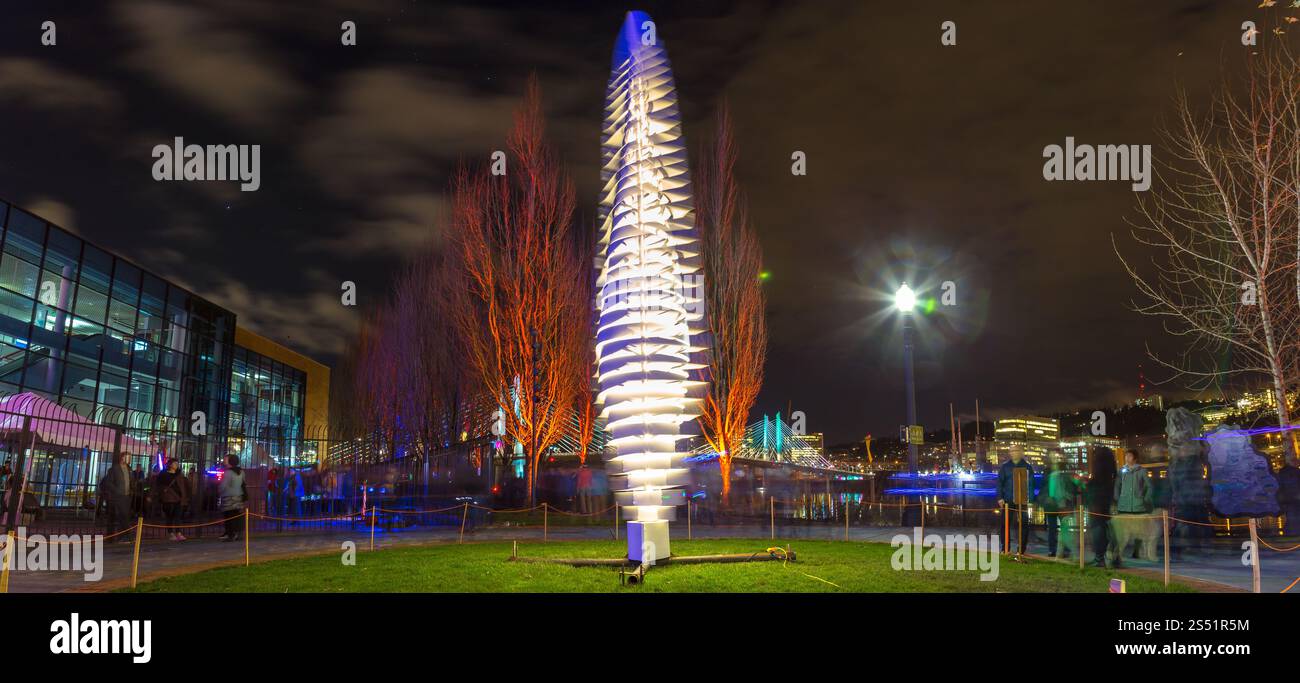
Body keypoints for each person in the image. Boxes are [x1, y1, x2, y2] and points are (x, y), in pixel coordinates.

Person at [996, 447, 1035, 555]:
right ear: (1010, 453)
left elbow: (1031, 485)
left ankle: (1021, 550)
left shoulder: (1027, 467)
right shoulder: (1005, 467)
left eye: (1017, 450)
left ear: (1021, 452)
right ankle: (1005, 549)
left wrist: (1030, 500)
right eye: (1012, 451)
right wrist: (1000, 498)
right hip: (1007, 500)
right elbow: (999, 483)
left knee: (1024, 524)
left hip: (1023, 500)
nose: (1014, 453)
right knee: (1005, 524)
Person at [1038, 451, 1077, 558]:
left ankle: (1065, 549)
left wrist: (1069, 495)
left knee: (1065, 528)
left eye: (1056, 457)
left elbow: (1071, 485)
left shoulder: (1065, 470)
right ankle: (1053, 549)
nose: (1055, 458)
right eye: (1053, 457)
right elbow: (1043, 487)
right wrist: (1047, 498)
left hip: (1063, 503)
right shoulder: (1047, 471)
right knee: (1052, 528)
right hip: (1051, 503)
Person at [1087, 446, 1118, 568]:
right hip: (1106, 503)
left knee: (1098, 531)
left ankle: (1099, 558)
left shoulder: (1099, 472)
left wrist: (1087, 484)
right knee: (1108, 531)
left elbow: (1095, 485)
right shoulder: (1111, 474)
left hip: (1097, 505)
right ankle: (1114, 557)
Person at [99, 452, 134, 542]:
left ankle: (122, 536)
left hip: (127, 496)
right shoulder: (114, 469)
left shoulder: (129, 469)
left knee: (124, 516)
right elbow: (108, 482)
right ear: (122, 458)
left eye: (130, 457)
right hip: (119, 496)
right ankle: (128, 536)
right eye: (128, 457)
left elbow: (131, 481)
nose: (129, 459)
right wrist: (116, 490)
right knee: (124, 516)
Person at [154, 458, 191, 541]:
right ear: (170, 465)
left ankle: (178, 532)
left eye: (177, 463)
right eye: (175, 463)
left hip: (179, 498)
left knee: (178, 516)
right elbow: (158, 486)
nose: (176, 465)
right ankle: (170, 533)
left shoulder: (179, 474)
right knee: (169, 516)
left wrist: (185, 496)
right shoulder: (163, 474)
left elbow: (184, 486)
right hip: (169, 498)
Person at [218, 454, 248, 542]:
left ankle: (230, 534)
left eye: (226, 459)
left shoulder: (228, 472)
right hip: (239, 496)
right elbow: (243, 483)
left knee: (228, 516)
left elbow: (223, 485)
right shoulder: (241, 472)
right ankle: (238, 533)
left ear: (230, 461)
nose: (224, 460)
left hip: (228, 497)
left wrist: (219, 490)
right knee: (236, 516)